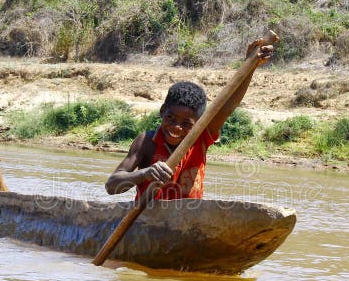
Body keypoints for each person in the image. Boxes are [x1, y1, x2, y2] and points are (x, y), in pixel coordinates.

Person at [105, 37, 273, 199]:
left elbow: (228, 107)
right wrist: (144, 174)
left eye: (186, 123)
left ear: (199, 123)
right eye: (171, 118)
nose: (176, 127)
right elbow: (111, 186)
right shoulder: (146, 142)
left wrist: (250, 65)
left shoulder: (201, 138)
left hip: (189, 216)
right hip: (149, 216)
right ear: (162, 111)